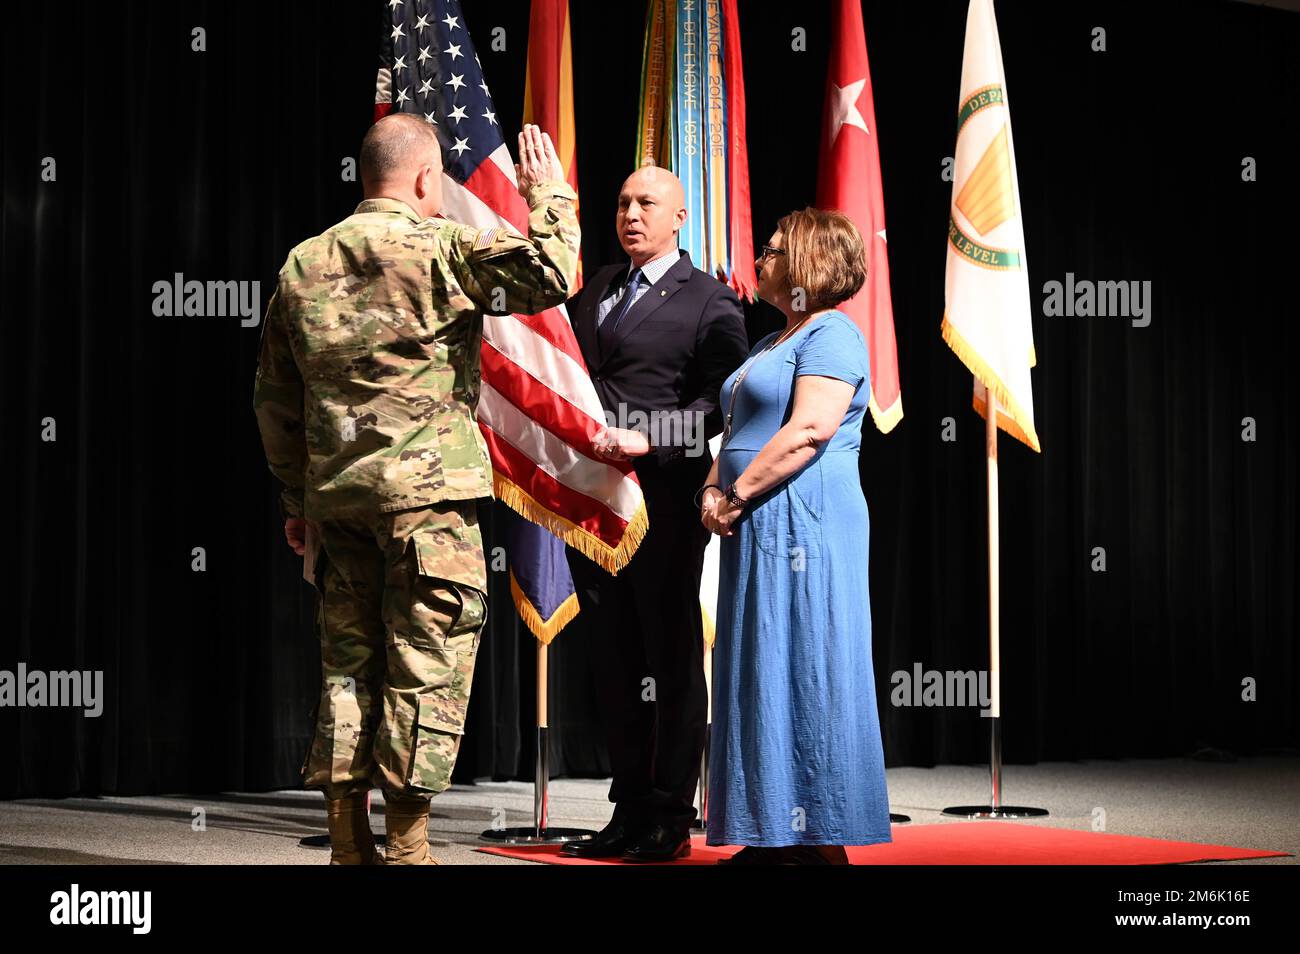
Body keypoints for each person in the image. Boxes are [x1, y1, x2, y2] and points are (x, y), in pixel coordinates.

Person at [253, 115, 579, 864]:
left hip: (339, 507)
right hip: (429, 507)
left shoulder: (302, 264)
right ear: (427, 178)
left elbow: (273, 398)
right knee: (426, 666)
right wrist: (548, 194)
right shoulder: (445, 248)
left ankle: (346, 840)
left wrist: (297, 503)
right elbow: (553, 274)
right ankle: (407, 848)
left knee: (348, 669)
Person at [560, 164, 749, 862]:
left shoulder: (709, 300)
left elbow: (718, 402)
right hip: (591, 502)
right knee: (613, 658)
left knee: (668, 660)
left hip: (662, 503)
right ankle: (628, 809)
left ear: (680, 219)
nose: (630, 213)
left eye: (647, 203)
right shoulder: (598, 288)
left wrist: (651, 436)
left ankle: (671, 816)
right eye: (621, 202)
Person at [700, 208, 892, 864]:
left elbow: (809, 431)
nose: (762, 259)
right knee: (757, 665)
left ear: (811, 263)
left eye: (776, 250)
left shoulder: (833, 335)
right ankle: (768, 831)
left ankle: (818, 840)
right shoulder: (772, 340)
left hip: (803, 519)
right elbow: (734, 428)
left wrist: (737, 492)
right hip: (753, 518)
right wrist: (711, 489)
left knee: (806, 660)